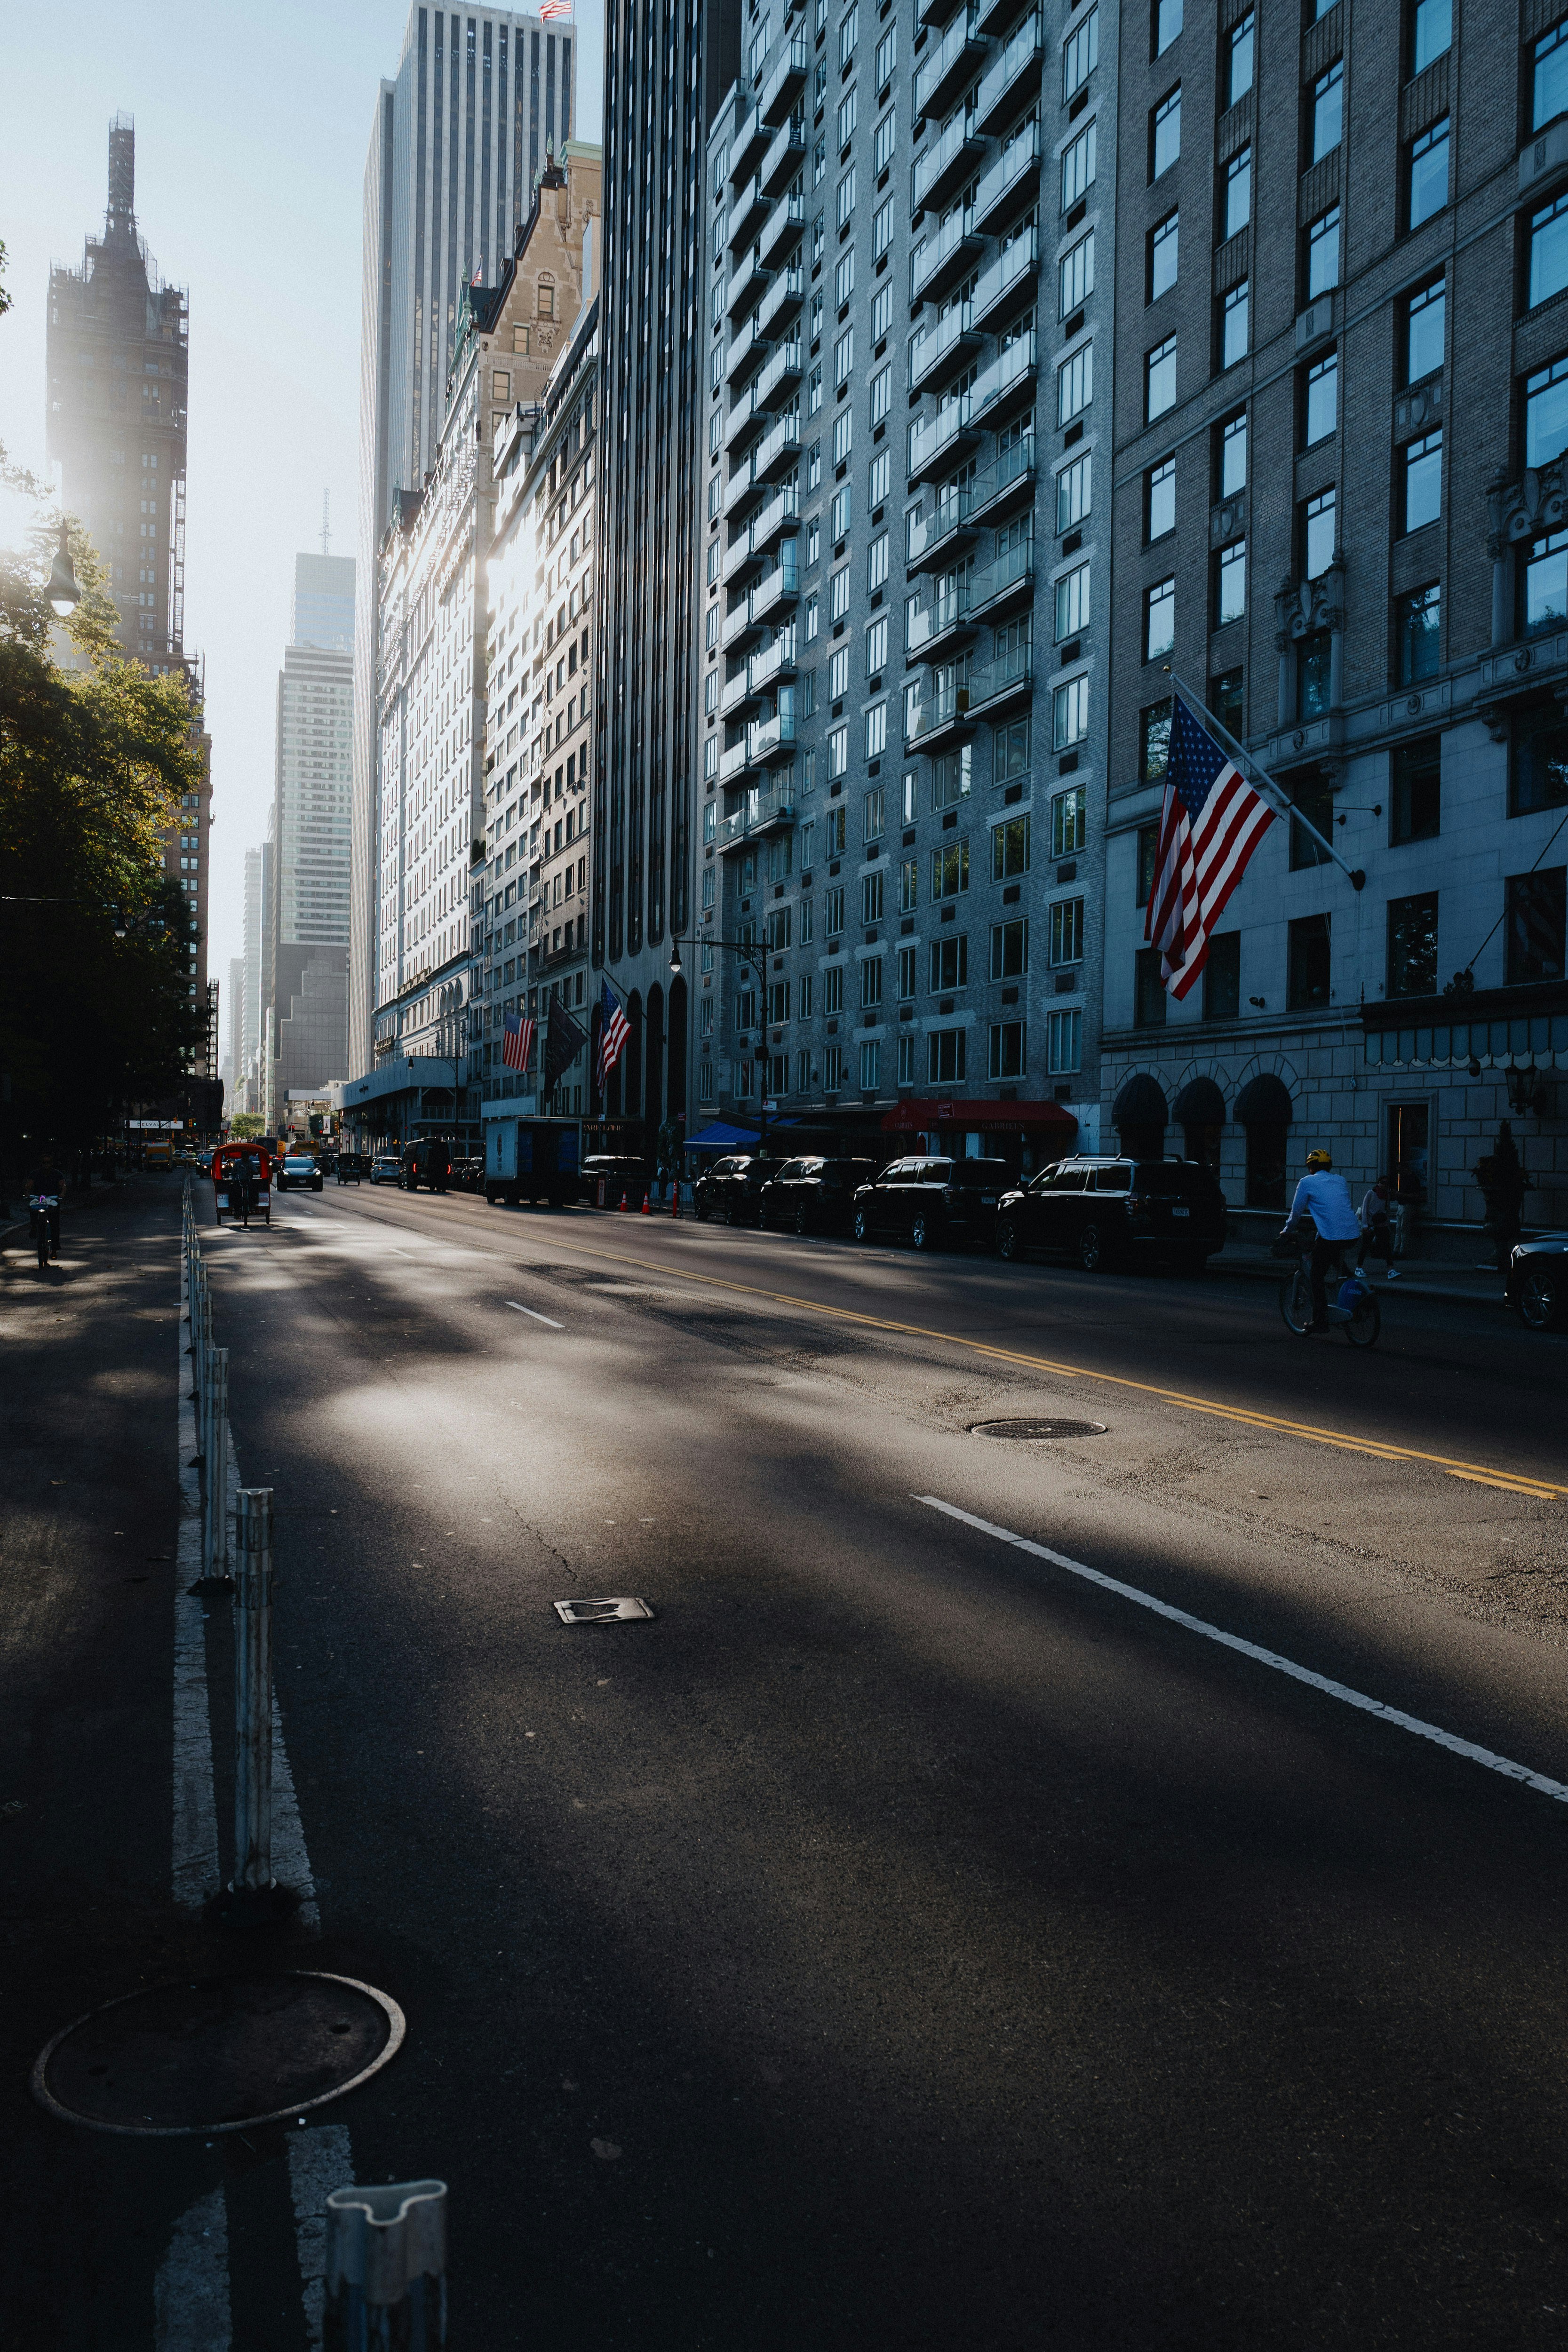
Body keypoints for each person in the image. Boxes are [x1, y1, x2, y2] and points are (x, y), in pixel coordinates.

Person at [1283, 1147, 1362, 1332]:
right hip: (1352, 1234)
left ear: (1311, 1167)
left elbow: (1296, 1213)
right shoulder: (1340, 1180)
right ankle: (1354, 1291)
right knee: (1336, 1261)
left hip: (1331, 1237)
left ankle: (1320, 1321)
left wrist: (1287, 1230)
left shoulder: (1307, 1183)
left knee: (1316, 1276)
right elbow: (1334, 1211)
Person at [1355, 1177, 1400, 1282]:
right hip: (1371, 1224)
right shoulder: (1371, 1193)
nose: (1384, 1185)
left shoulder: (1386, 1195)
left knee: (1387, 1247)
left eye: (1386, 1183)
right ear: (1378, 1183)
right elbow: (1365, 1209)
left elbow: (1387, 1210)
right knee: (1365, 1246)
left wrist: (1387, 1224)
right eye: (1382, 1183)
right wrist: (1365, 1225)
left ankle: (1390, 1269)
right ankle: (1359, 1267)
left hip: (1382, 1224)